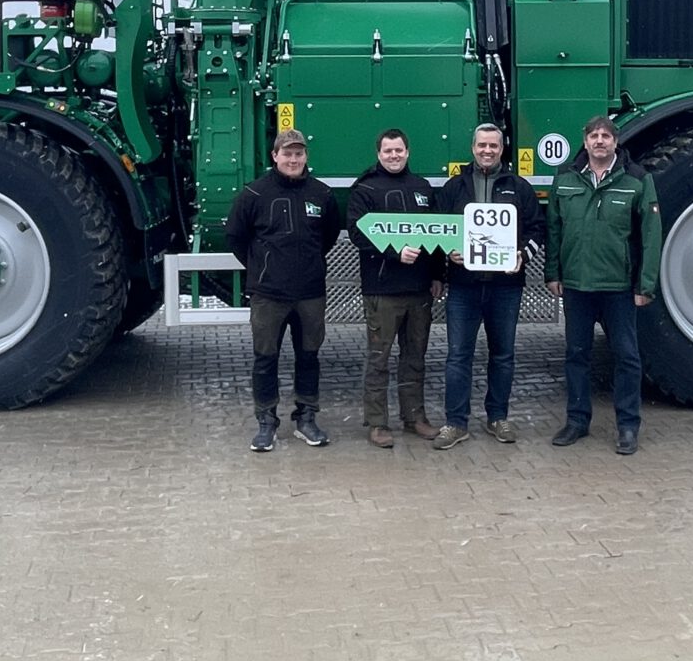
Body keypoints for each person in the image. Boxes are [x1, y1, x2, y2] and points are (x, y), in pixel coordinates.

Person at [545, 116, 662, 455]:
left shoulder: (637, 180)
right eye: (594, 136)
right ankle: (577, 421)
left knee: (626, 356)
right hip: (577, 285)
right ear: (585, 141)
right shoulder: (565, 178)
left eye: (605, 136)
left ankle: (628, 426)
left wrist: (645, 285)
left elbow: (651, 236)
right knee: (576, 355)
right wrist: (552, 273)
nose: (599, 141)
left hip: (618, 287)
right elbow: (554, 228)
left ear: (615, 141)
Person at [225, 127, 343, 453]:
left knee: (309, 356)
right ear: (275, 156)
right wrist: (260, 267)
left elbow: (329, 236)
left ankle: (306, 418)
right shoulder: (254, 194)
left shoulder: (322, 194)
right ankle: (266, 422)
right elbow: (235, 236)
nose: (293, 159)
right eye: (287, 153)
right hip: (268, 295)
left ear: (306, 156)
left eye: (298, 153)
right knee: (265, 359)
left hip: (310, 293)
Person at [433, 123, 544, 449]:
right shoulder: (454, 187)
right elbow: (440, 227)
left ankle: (498, 417)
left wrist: (524, 254)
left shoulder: (519, 187)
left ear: (501, 149)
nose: (487, 150)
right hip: (464, 287)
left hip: (505, 287)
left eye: (493, 146)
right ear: (473, 148)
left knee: (503, 355)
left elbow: (537, 229)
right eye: (482, 145)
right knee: (458, 356)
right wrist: (447, 253)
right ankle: (456, 423)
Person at [346, 129, 443, 448]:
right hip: (382, 289)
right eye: (387, 151)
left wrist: (437, 274)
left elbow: (435, 235)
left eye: (398, 150)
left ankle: (414, 417)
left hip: (419, 289)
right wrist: (394, 252)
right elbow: (358, 234)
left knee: (415, 357)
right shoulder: (365, 189)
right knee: (379, 359)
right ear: (378, 154)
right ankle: (377, 423)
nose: (394, 155)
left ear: (408, 151)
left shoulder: (422, 188)